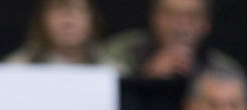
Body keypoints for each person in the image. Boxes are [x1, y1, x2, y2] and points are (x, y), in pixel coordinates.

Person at [100, 0, 239, 79]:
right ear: (154, 17)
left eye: (192, 16)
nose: (182, 25)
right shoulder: (117, 52)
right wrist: (146, 75)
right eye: (171, 14)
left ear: (206, 23)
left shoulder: (226, 69)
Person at [3, 0, 109, 66]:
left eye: (79, 10)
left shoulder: (113, 72)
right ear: (41, 20)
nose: (68, 21)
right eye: (58, 10)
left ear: (93, 20)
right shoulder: (17, 68)